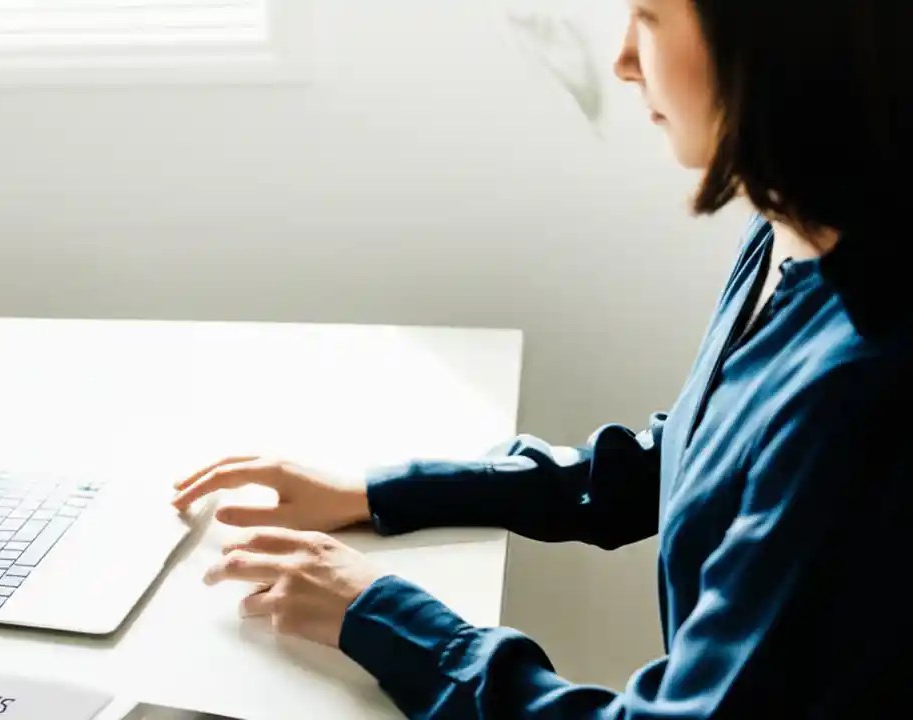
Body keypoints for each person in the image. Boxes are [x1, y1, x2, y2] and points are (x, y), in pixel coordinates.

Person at [170, 0, 912, 717]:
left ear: (771, 41)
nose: (622, 61)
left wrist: (381, 615)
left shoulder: (860, 384)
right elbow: (687, 462)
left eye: (648, 18)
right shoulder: (792, 227)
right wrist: (381, 493)